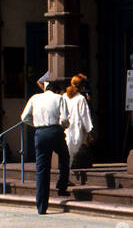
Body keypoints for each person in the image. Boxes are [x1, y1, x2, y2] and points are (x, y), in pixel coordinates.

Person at [22, 80, 71, 214]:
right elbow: (65, 119)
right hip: (55, 131)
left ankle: (42, 206)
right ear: (56, 90)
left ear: (46, 89)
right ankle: (62, 186)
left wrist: (37, 125)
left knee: (42, 168)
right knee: (64, 156)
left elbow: (24, 117)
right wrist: (63, 127)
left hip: (40, 133)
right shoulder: (59, 98)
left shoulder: (35, 98)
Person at [64, 73, 95, 169]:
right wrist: (89, 131)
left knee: (68, 151)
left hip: (66, 127)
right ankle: (66, 175)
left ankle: (66, 173)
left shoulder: (64, 96)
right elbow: (85, 115)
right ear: (82, 86)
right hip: (76, 128)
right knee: (73, 151)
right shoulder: (81, 99)